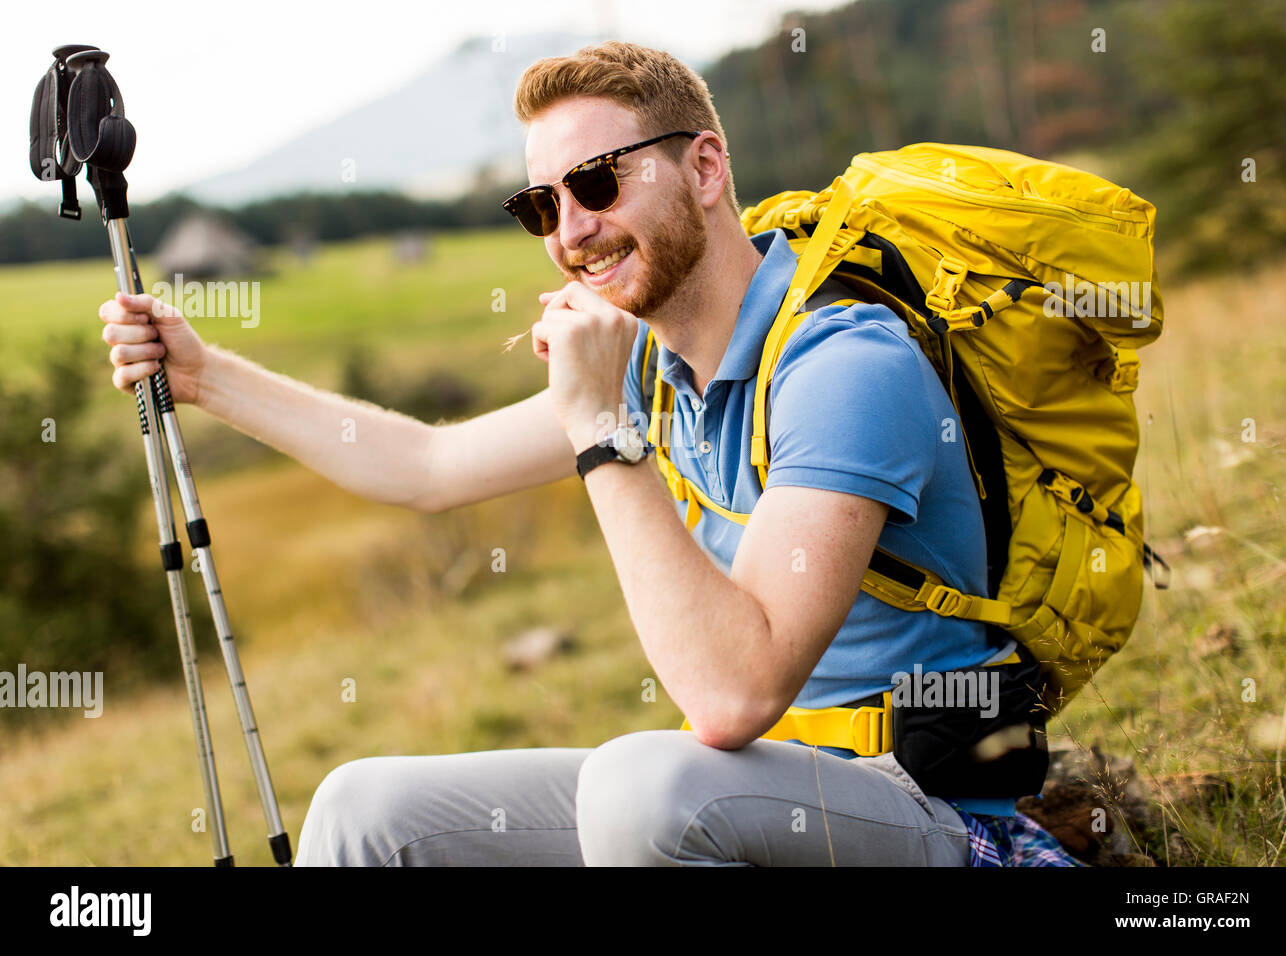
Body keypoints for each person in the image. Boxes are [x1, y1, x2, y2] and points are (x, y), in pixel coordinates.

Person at [98, 41, 1069, 866]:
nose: (569, 231)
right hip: (750, 798)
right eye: (539, 206)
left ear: (703, 168)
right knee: (362, 812)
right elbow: (425, 466)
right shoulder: (652, 365)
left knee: (643, 784)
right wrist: (205, 377)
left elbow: (733, 693)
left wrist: (600, 428)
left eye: (597, 183)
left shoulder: (842, 363)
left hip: (938, 812)